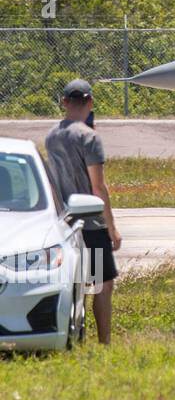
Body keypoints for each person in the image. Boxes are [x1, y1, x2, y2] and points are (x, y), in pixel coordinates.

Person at [44, 79, 119, 345]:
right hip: (92, 223)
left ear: (64, 102)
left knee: (76, 282)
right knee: (102, 284)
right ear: (90, 102)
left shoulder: (52, 136)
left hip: (65, 222)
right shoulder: (89, 137)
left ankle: (77, 337)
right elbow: (98, 186)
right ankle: (105, 342)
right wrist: (112, 227)